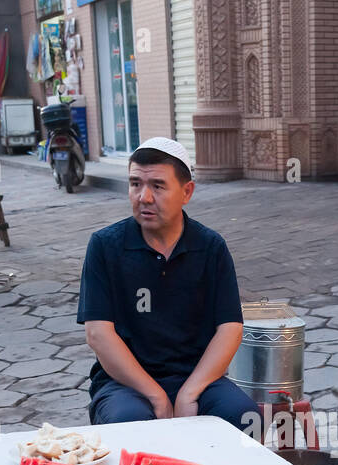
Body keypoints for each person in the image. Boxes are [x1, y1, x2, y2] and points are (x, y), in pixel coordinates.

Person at [76, 137, 258, 431]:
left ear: (187, 192)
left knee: (244, 416)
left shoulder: (210, 247)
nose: (144, 197)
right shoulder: (105, 247)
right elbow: (98, 334)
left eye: (157, 186)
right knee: (129, 423)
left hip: (198, 378)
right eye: (135, 184)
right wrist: (156, 395)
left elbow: (230, 328)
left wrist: (190, 391)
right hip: (125, 383)